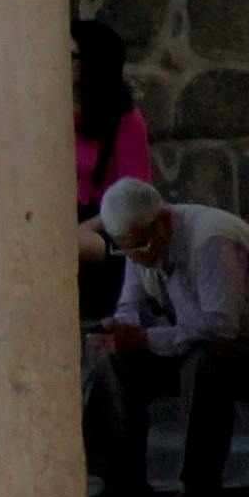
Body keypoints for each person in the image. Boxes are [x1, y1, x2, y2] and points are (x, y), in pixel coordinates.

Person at [83, 178, 249, 497]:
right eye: (128, 249)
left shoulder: (211, 241)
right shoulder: (138, 246)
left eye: (142, 245)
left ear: (163, 220)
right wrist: (121, 328)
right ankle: (120, 481)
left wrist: (148, 340)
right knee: (114, 360)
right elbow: (131, 304)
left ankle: (201, 490)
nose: (139, 256)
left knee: (207, 360)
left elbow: (220, 326)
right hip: (195, 342)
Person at [72, 19, 153, 324]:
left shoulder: (124, 119)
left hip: (107, 224)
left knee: (68, 247)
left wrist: (84, 229)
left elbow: (135, 192)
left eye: (71, 57)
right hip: (62, 221)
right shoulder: (49, 112)